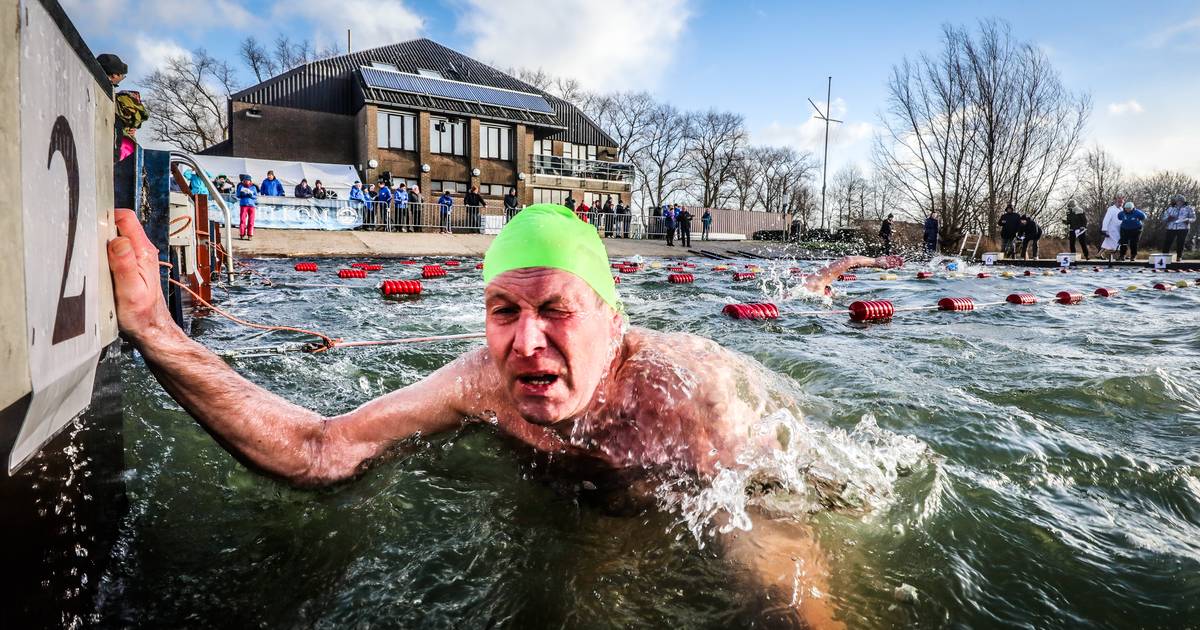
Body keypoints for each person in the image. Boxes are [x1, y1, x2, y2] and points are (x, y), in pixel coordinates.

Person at [105, 205, 902, 627]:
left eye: (555, 309)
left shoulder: (692, 397)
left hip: (717, 484)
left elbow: (783, 560)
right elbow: (322, 450)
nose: (524, 343)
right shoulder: (479, 381)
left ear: (614, 322)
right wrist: (159, 336)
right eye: (501, 310)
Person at [1162, 194, 1195, 261]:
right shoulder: (1170, 208)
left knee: (1180, 242)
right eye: (1177, 201)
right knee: (1167, 242)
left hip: (1183, 228)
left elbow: (1193, 218)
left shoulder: (1189, 208)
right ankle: (1164, 257)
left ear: (1183, 201)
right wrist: (1168, 218)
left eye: (1181, 201)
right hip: (1171, 228)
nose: (1179, 202)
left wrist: (1188, 220)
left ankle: (1179, 257)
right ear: (1175, 201)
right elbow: (1164, 218)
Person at [1099, 196, 1124, 260]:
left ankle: (1099, 254)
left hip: (1118, 229)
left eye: (1121, 202)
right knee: (1115, 244)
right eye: (1119, 201)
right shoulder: (1111, 209)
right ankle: (1119, 256)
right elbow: (1106, 219)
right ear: (1116, 201)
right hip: (1111, 230)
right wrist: (1104, 229)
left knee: (1107, 243)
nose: (1120, 203)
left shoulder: (1122, 209)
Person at [235, 174, 258, 241]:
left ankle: (250, 234)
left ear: (250, 181)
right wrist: (241, 195)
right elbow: (238, 195)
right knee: (242, 220)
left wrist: (251, 195)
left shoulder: (253, 187)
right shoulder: (240, 186)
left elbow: (255, 196)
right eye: (245, 180)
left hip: (251, 206)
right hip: (243, 205)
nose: (246, 182)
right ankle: (242, 234)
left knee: (251, 221)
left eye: (247, 180)